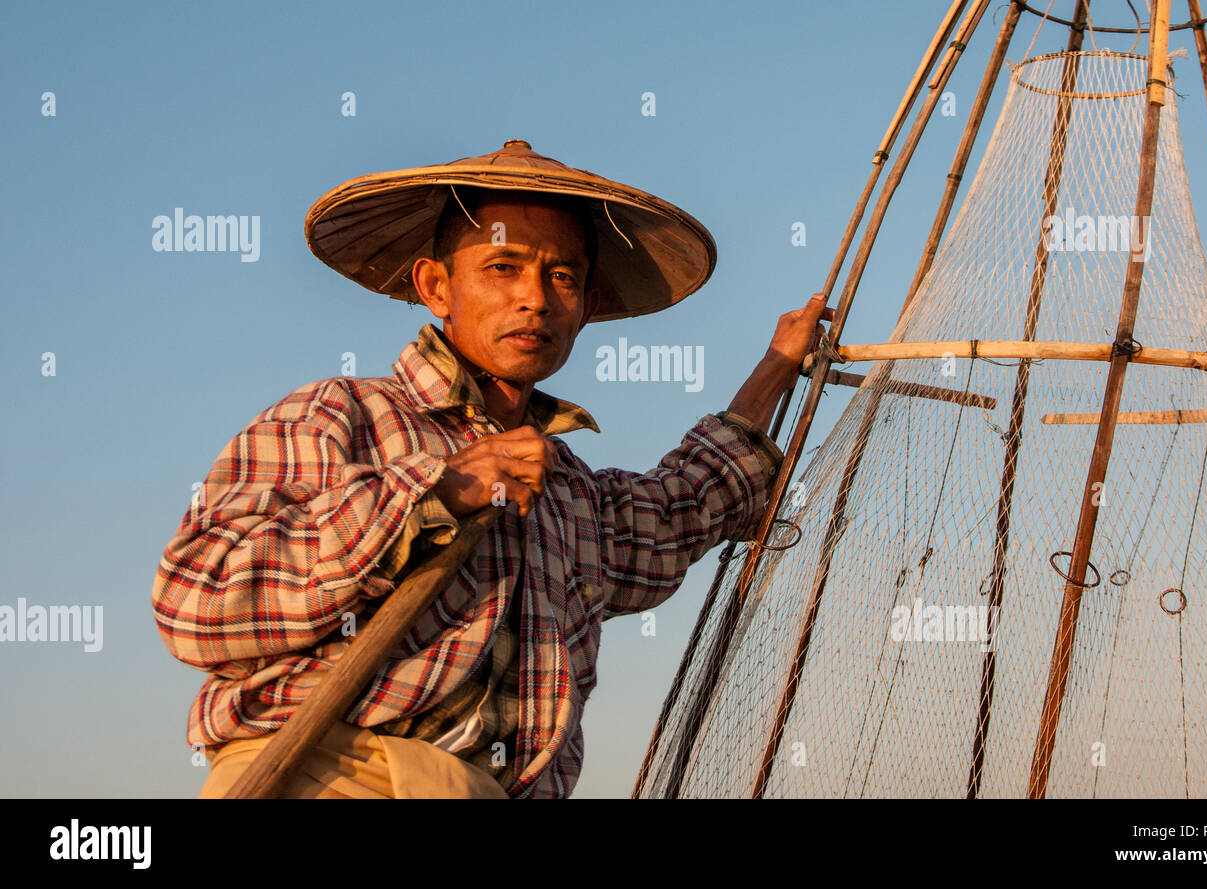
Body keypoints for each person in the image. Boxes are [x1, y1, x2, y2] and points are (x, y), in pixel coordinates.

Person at [151, 139, 831, 798]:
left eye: (561, 276)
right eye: (503, 267)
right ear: (436, 285)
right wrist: (435, 492)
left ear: (586, 305)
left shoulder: (569, 492)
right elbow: (193, 601)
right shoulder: (340, 416)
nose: (534, 298)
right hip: (329, 774)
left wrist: (776, 365)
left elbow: (683, 507)